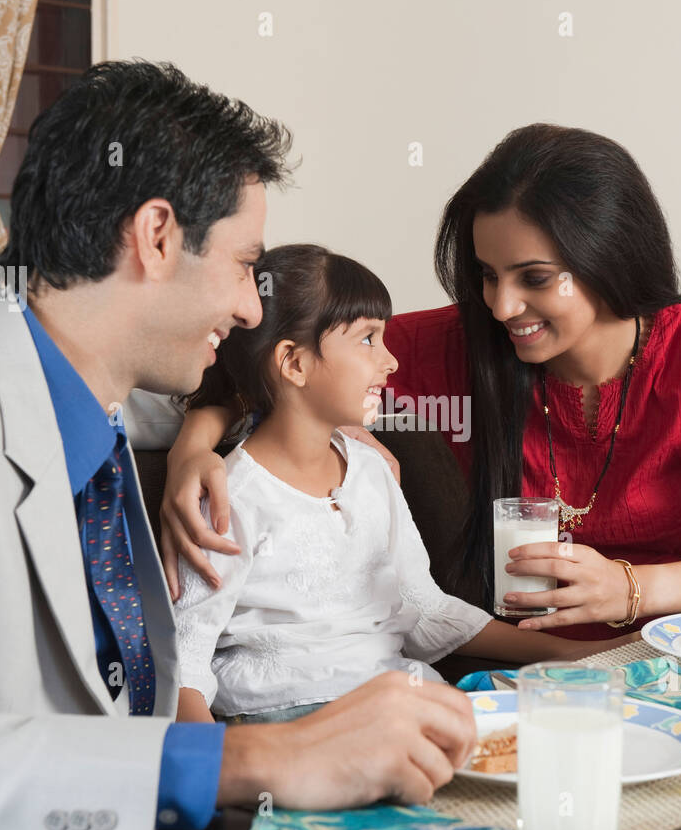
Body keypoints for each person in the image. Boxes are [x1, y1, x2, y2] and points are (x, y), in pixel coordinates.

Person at [0, 61, 478, 830]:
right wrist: (250, 757)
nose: (250, 309)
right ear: (157, 236)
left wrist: (203, 440)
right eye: (245, 265)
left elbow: (252, 391)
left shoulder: (114, 402)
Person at [158, 124, 681, 641]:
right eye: (488, 274)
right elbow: (272, 358)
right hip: (520, 674)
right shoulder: (464, 346)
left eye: (534, 279)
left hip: (680, 653)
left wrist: (633, 589)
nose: (502, 306)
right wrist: (193, 448)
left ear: (611, 258)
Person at [167, 244, 637, 725]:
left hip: (394, 699)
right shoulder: (232, 497)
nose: (390, 361)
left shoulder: (370, 470)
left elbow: (423, 609)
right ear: (295, 363)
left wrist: (577, 653)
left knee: (560, 723)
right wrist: (222, 768)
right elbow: (187, 655)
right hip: (285, 717)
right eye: (369, 339)